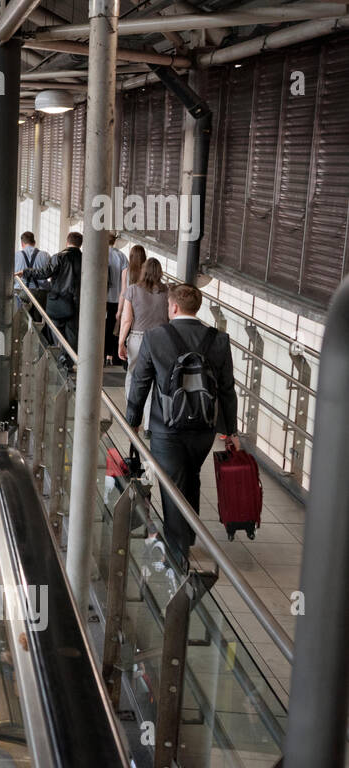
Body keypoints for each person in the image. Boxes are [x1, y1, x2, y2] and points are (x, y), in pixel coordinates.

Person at [125, 283, 239, 555]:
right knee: (192, 476)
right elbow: (226, 389)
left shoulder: (155, 337)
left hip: (167, 427)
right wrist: (231, 430)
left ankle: (178, 555)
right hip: (203, 429)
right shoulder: (219, 340)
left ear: (173, 306)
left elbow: (140, 382)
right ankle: (187, 535)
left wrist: (133, 420)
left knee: (173, 485)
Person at [19, 230, 83, 354]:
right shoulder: (86, 260)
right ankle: (68, 361)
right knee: (72, 333)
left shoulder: (59, 257)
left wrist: (26, 272)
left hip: (58, 300)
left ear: (67, 242)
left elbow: (45, 273)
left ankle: (59, 357)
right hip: (77, 301)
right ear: (80, 244)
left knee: (55, 330)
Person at [118, 257, 169, 410]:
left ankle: (132, 418)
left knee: (133, 376)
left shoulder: (132, 290)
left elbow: (126, 320)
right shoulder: (167, 291)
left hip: (138, 338)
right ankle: (148, 424)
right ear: (160, 272)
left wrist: (121, 342)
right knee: (153, 380)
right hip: (160, 340)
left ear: (143, 271)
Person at [106, 232, 129, 365]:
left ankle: (101, 355)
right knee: (113, 328)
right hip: (117, 300)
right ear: (114, 242)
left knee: (102, 328)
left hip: (101, 300)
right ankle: (111, 356)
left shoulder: (100, 254)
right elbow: (124, 283)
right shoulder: (122, 257)